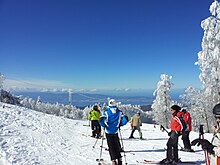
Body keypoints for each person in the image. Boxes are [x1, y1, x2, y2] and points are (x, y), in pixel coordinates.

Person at [99, 99, 128, 165]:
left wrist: (103, 125)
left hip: (108, 131)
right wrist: (120, 124)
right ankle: (119, 159)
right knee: (117, 145)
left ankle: (113, 161)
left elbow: (102, 120)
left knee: (111, 146)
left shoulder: (106, 111)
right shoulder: (119, 112)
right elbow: (124, 120)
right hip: (115, 131)